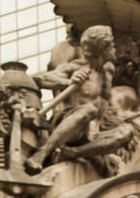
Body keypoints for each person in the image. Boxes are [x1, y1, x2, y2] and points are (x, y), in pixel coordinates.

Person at [24, 26, 117, 174]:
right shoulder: (75, 67)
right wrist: (66, 82)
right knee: (89, 109)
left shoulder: (108, 72)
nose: (114, 48)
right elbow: (38, 78)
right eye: (111, 45)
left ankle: (73, 153)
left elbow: (106, 105)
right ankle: (42, 154)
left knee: (127, 131)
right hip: (70, 126)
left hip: (91, 134)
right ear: (102, 48)